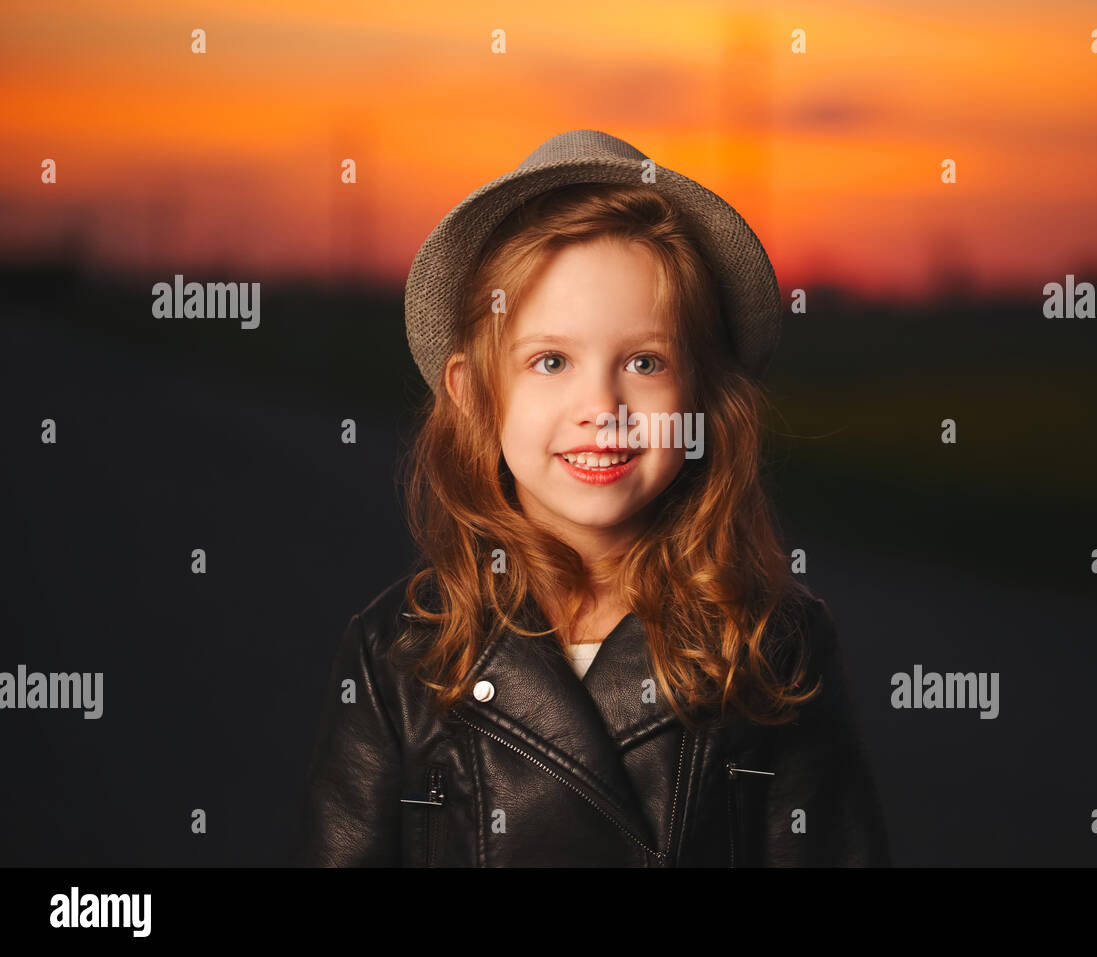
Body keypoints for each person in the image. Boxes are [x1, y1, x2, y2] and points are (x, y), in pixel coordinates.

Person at [296, 130, 890, 867]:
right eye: (551, 361)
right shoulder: (399, 654)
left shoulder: (775, 644)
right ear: (475, 394)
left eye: (644, 361)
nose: (601, 407)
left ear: (700, 399)